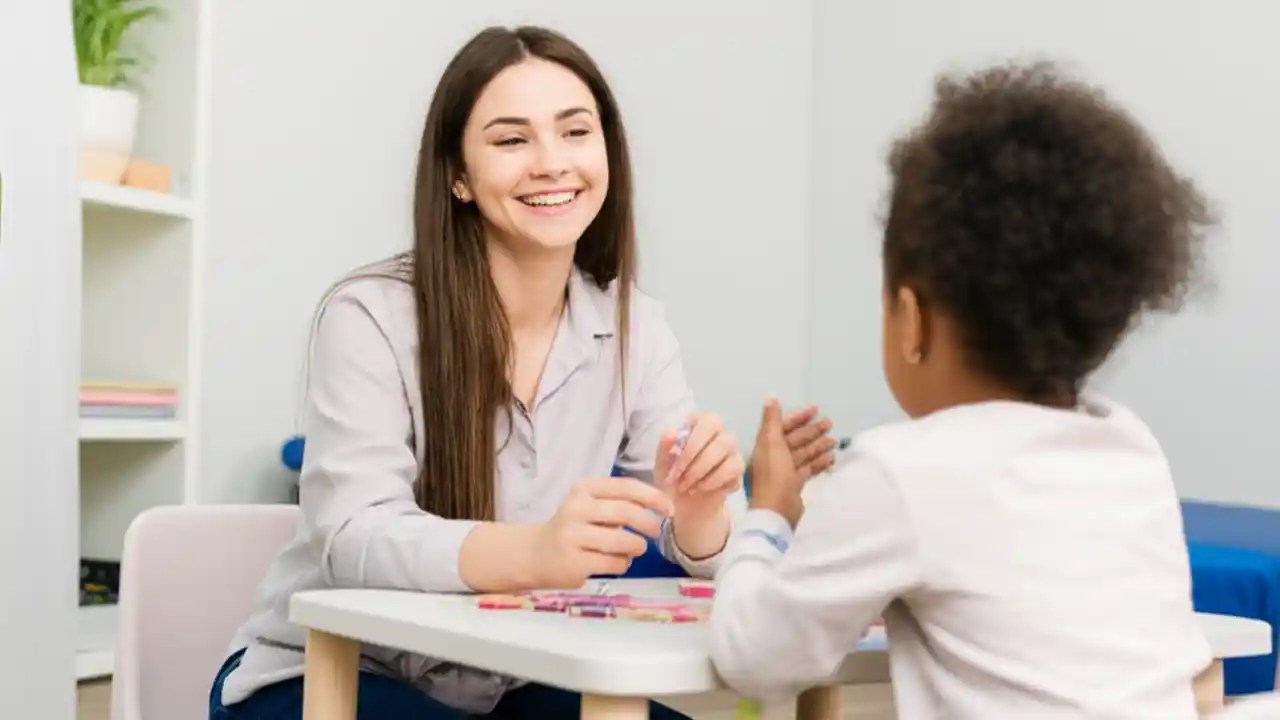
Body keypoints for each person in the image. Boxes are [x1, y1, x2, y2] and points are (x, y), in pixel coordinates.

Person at [208, 25, 835, 719]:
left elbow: (702, 547)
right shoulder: (371, 316)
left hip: (508, 677)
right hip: (327, 675)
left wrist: (698, 516)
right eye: (511, 140)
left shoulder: (637, 328)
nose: (551, 163)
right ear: (457, 175)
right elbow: (354, 534)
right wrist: (535, 550)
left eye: (575, 132)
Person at [710, 62, 1216, 718]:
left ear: (912, 320)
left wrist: (768, 513)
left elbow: (756, 656)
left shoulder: (901, 471)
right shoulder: (1132, 448)